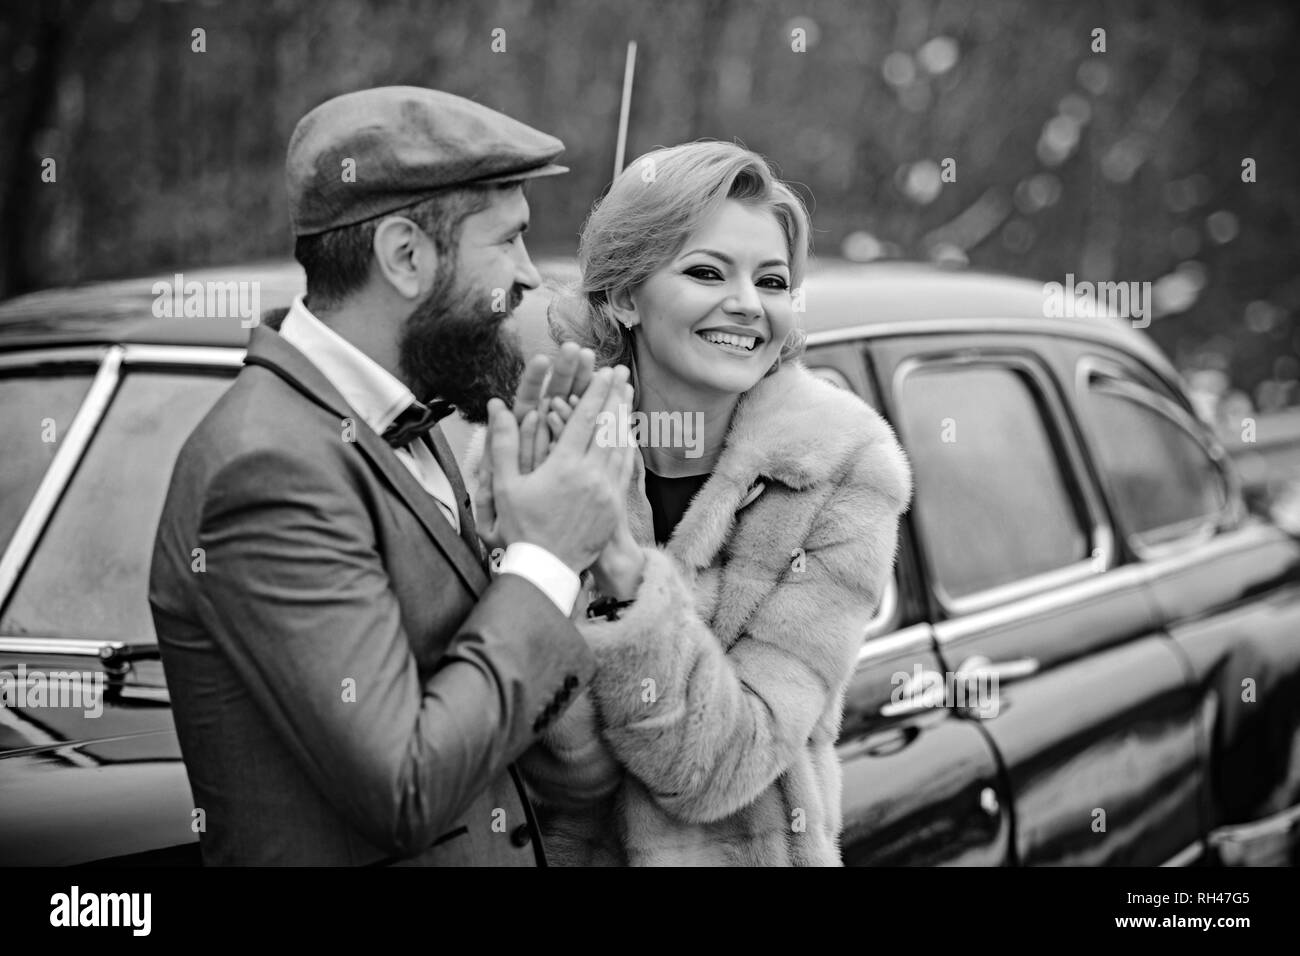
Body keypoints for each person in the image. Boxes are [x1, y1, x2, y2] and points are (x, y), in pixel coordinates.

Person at [149, 86, 633, 866]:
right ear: (406, 256)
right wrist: (546, 560)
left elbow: (469, 678)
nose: (530, 279)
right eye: (507, 242)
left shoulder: (412, 416)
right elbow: (404, 787)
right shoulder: (265, 468)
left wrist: (526, 537)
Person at [469, 141, 913, 866]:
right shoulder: (536, 447)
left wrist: (624, 581)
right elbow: (535, 755)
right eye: (707, 272)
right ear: (621, 297)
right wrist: (536, 551)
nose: (746, 304)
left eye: (772, 281)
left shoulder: (841, 466)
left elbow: (720, 769)